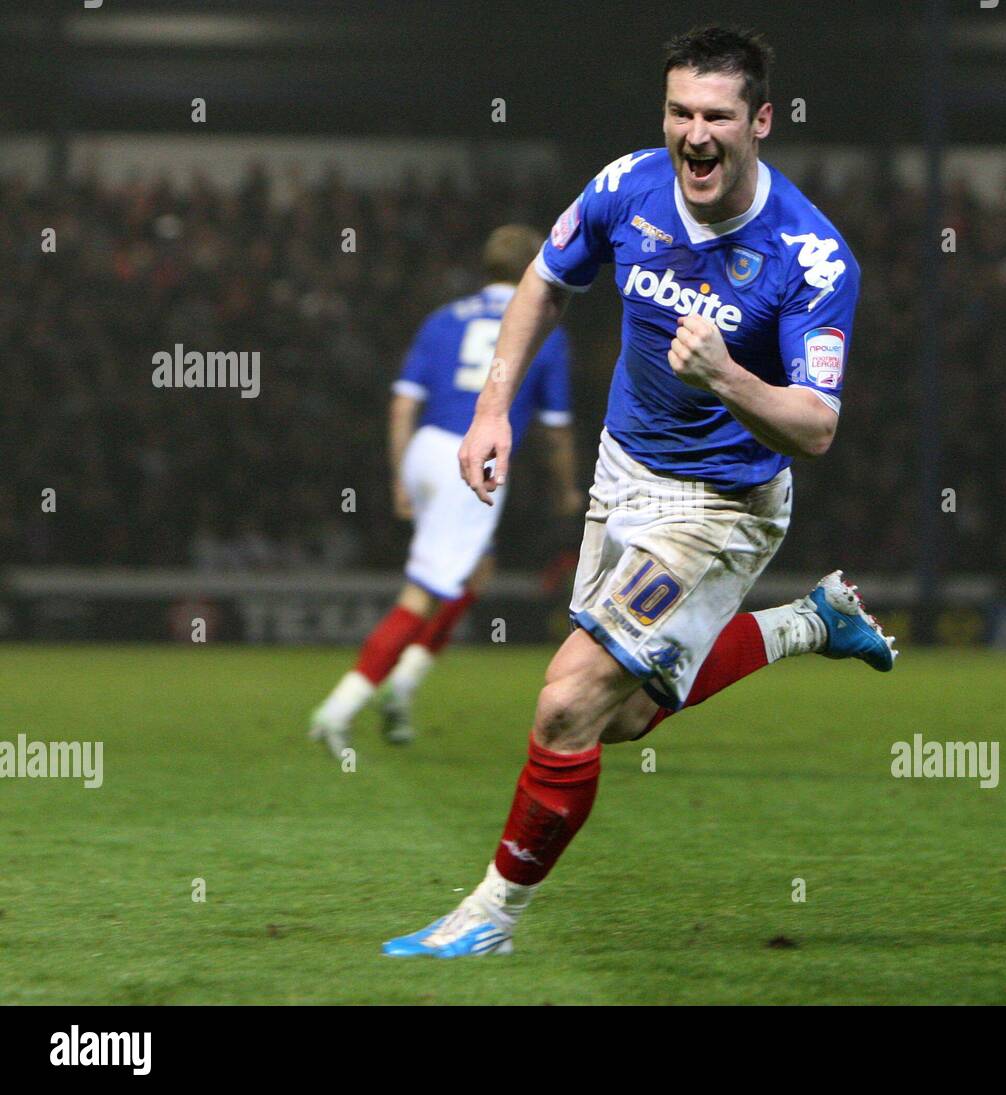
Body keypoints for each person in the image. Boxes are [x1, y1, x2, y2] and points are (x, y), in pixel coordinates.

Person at [382, 26, 895, 959]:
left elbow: (817, 426)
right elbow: (543, 280)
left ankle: (489, 915)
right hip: (624, 477)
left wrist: (728, 376)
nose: (695, 135)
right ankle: (809, 622)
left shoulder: (812, 258)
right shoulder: (627, 187)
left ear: (762, 123)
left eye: (718, 117)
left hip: (720, 505)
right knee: (620, 716)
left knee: (568, 702)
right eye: (680, 113)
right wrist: (492, 408)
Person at [310, 225, 582, 757]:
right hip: (472, 459)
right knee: (424, 592)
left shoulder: (442, 319)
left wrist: (399, 477)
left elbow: (402, 404)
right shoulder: (544, 325)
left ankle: (402, 687)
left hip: (426, 449)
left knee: (475, 569)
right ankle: (337, 711)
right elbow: (556, 428)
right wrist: (567, 488)